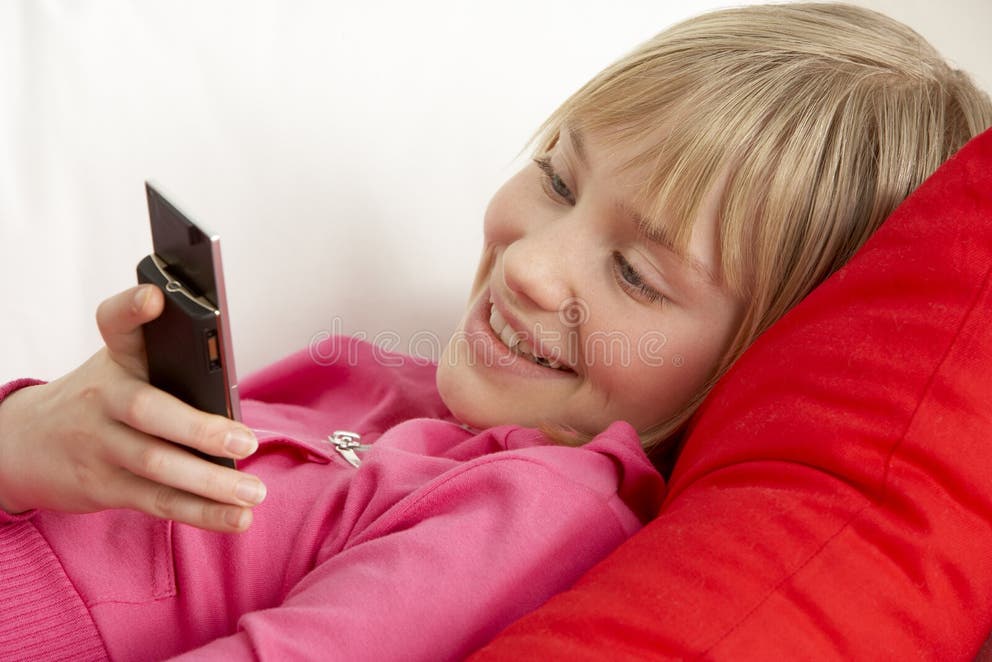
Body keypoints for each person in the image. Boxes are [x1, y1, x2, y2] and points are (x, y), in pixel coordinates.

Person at [1, 3, 989, 660]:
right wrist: (32, 439)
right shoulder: (371, 376)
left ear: (751, 366)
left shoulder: (541, 507)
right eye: (556, 175)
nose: (527, 262)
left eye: (637, 274)